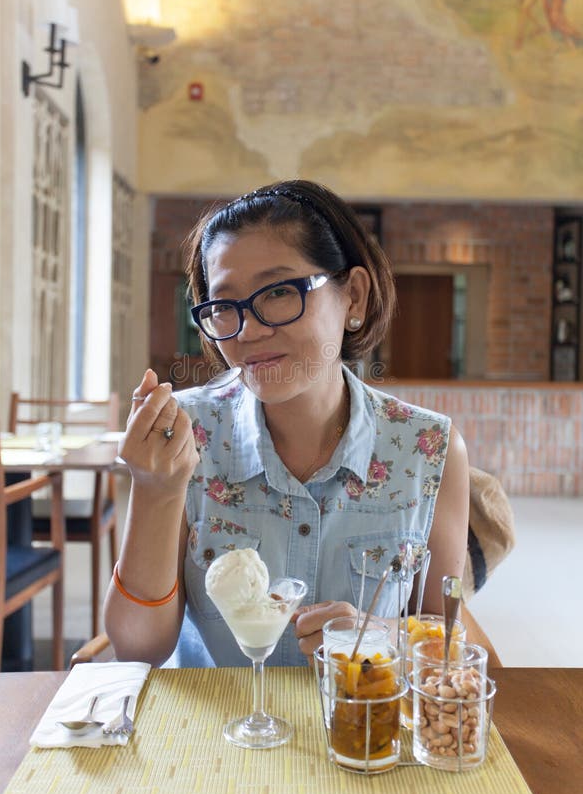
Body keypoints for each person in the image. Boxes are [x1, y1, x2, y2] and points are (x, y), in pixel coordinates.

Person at [104, 180, 470, 668]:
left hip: (357, 730)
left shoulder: (427, 450)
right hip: (213, 733)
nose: (249, 330)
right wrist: (156, 489)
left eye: (279, 292)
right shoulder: (188, 433)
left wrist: (379, 634)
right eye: (225, 304)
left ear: (354, 298)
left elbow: (447, 638)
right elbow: (138, 647)